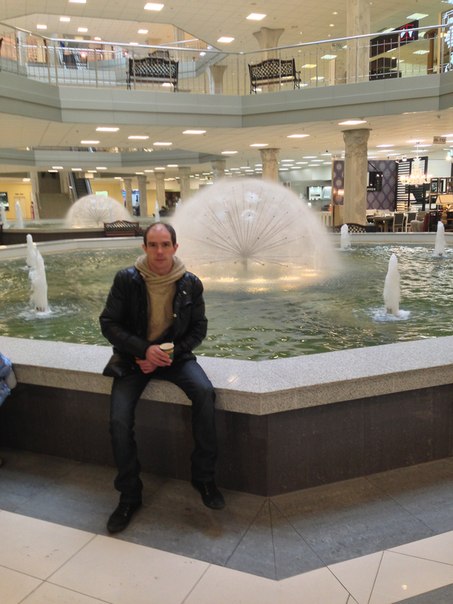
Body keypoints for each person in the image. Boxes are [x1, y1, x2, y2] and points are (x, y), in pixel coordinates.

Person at [100, 222, 224, 534]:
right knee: (118, 420)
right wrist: (143, 350)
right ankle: (129, 495)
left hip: (174, 358)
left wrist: (168, 354)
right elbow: (109, 323)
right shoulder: (127, 279)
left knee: (204, 393)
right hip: (134, 360)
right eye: (153, 245)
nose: (159, 251)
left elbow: (198, 329)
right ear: (144, 248)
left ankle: (204, 478)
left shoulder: (190, 283)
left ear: (175, 247)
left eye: (165, 244)